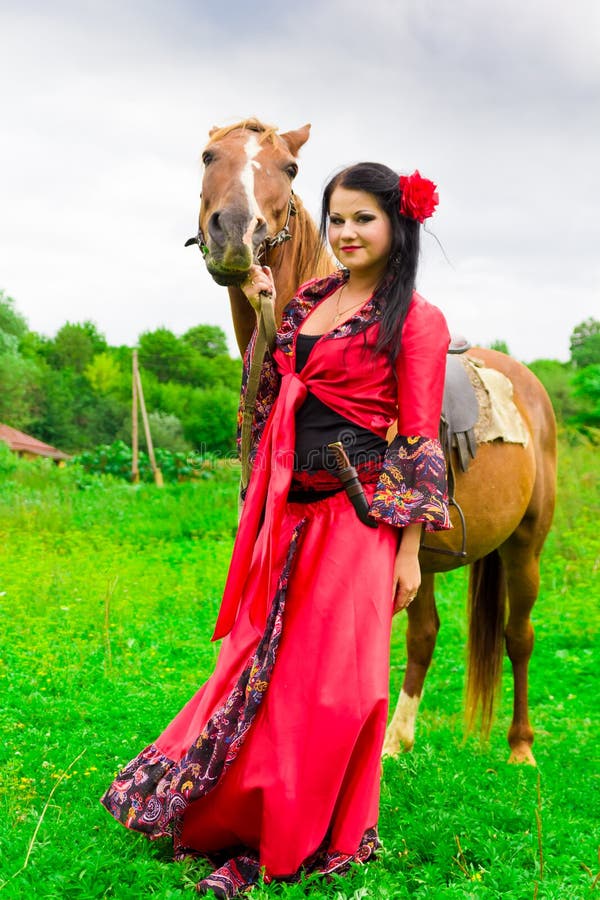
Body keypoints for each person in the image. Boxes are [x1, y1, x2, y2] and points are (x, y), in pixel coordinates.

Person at [101, 162, 451, 898]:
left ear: (399, 225)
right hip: (286, 513)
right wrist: (264, 309)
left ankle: (299, 837)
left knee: (333, 691)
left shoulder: (415, 319)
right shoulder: (314, 296)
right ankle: (244, 813)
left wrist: (410, 552)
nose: (348, 232)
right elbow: (281, 375)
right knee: (263, 668)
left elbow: (417, 440)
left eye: (364, 218)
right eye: (338, 218)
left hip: (354, 522)